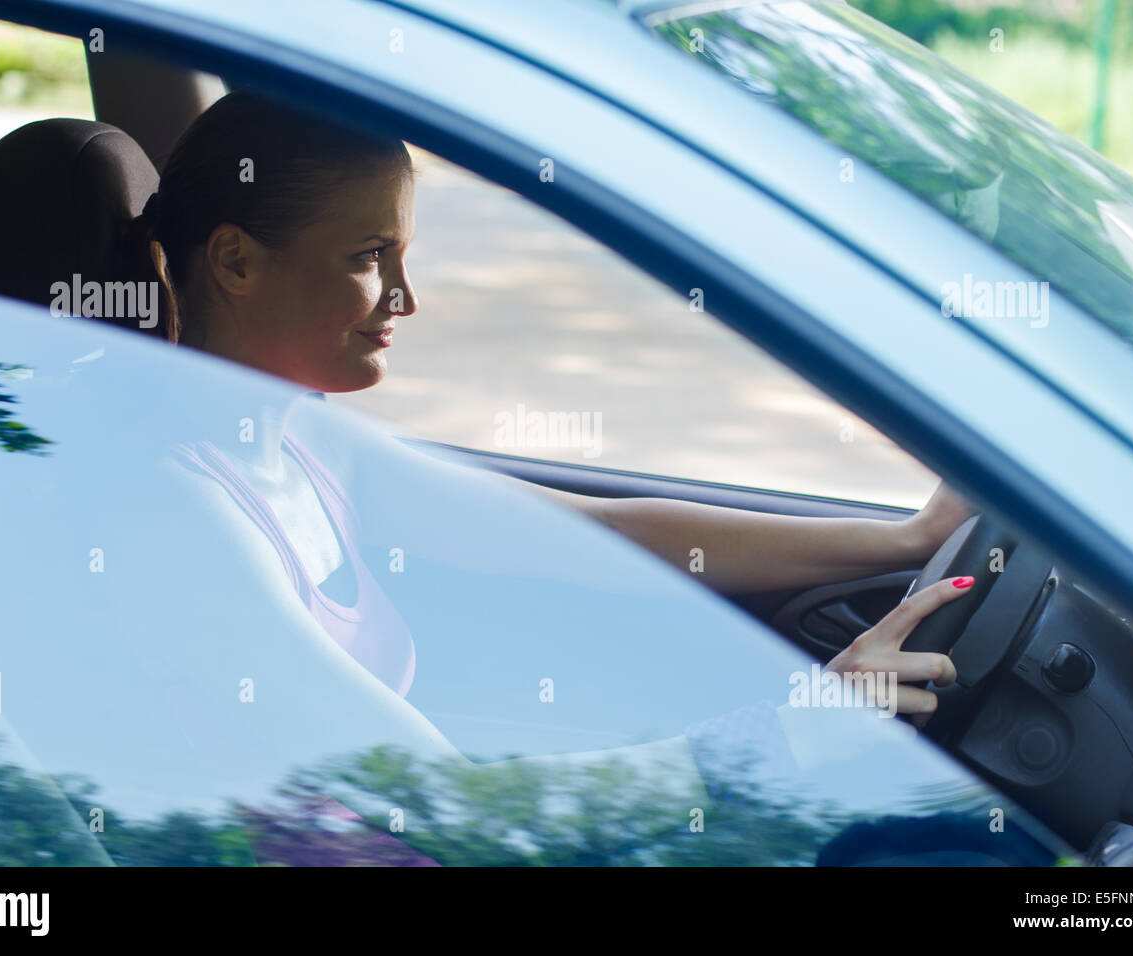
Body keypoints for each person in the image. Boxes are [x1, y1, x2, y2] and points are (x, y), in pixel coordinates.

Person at [123, 91, 974, 720]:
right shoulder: (181, 512)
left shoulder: (303, 444)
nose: (404, 298)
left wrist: (909, 539)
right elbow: (431, 805)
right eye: (369, 256)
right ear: (235, 262)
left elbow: (592, 535)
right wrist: (802, 734)